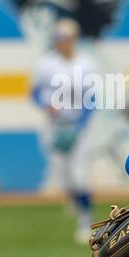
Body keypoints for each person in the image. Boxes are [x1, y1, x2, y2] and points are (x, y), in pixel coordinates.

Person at [30, 18, 100, 242]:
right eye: (58, 38)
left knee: (79, 173)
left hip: (79, 126)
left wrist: (82, 122)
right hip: (55, 125)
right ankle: (75, 202)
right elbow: (33, 92)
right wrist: (45, 106)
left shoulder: (85, 63)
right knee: (63, 173)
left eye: (65, 38)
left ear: (74, 39)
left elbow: (93, 96)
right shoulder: (47, 63)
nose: (61, 42)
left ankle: (85, 221)